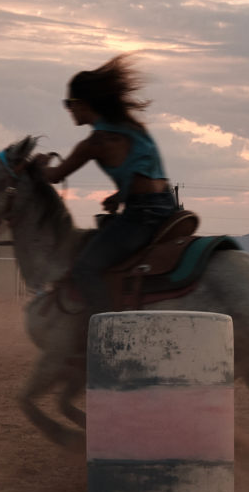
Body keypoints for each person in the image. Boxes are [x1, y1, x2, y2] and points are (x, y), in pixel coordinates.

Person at [39, 54, 180, 315]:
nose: (68, 110)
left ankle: (106, 326)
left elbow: (55, 175)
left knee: (85, 268)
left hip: (141, 216)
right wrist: (120, 195)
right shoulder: (133, 128)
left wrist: (38, 166)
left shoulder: (95, 143)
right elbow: (144, 170)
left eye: (69, 103)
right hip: (166, 206)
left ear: (83, 103)